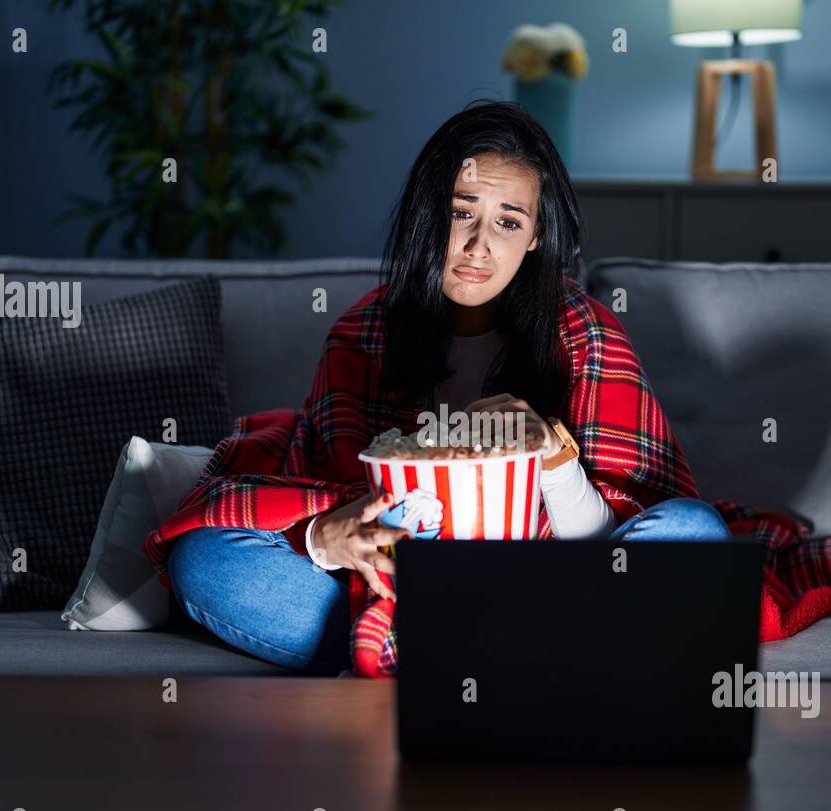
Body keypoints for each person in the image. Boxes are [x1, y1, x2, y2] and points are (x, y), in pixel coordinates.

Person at [159, 100, 730, 676]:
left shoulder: (588, 334)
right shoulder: (362, 335)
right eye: (462, 214)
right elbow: (329, 497)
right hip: (405, 589)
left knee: (694, 531)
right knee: (205, 558)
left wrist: (553, 458)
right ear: (428, 215)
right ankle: (524, 657)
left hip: (553, 582)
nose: (479, 245)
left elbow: (611, 535)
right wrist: (321, 542)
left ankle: (458, 656)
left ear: (535, 238)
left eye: (509, 221)